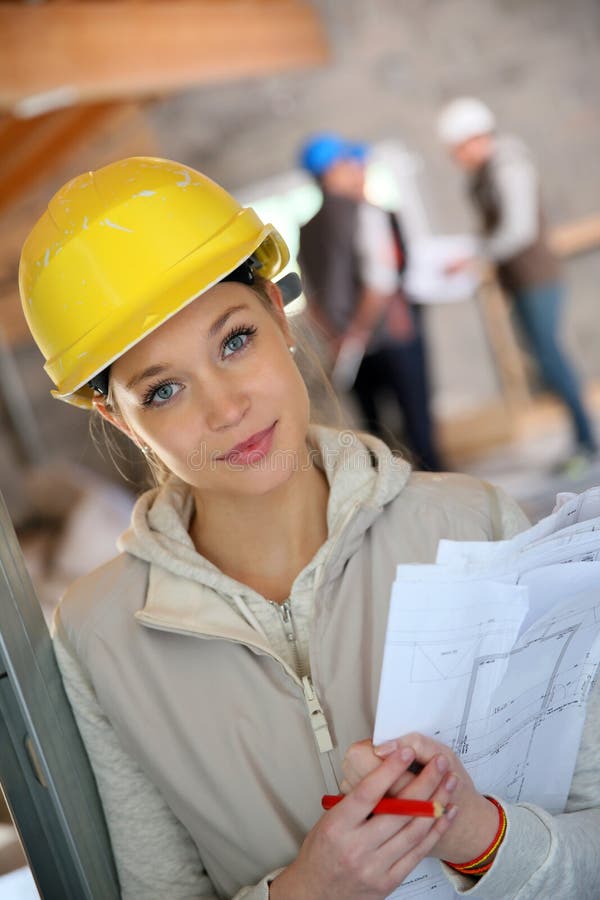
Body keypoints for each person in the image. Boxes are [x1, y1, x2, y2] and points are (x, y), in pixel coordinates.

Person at [19, 157, 599, 899]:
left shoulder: (473, 523)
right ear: (116, 417)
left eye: (234, 341)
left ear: (276, 311)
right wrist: (304, 892)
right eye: (162, 390)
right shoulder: (98, 636)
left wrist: (479, 837)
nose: (226, 408)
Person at [437, 98, 598, 473]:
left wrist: (477, 254)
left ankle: (587, 441)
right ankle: (582, 438)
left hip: (537, 275)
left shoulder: (509, 167)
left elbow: (518, 229)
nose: (457, 157)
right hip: (519, 280)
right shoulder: (485, 174)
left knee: (550, 356)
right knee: (544, 359)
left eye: (458, 149)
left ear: (475, 138)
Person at [298, 133, 442, 472]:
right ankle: (439, 495)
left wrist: (339, 339)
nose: (359, 170)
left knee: (376, 436)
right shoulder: (364, 211)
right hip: (391, 335)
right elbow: (380, 283)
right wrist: (359, 331)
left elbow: (312, 295)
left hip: (344, 347)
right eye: (350, 163)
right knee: (419, 426)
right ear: (331, 171)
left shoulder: (306, 228)